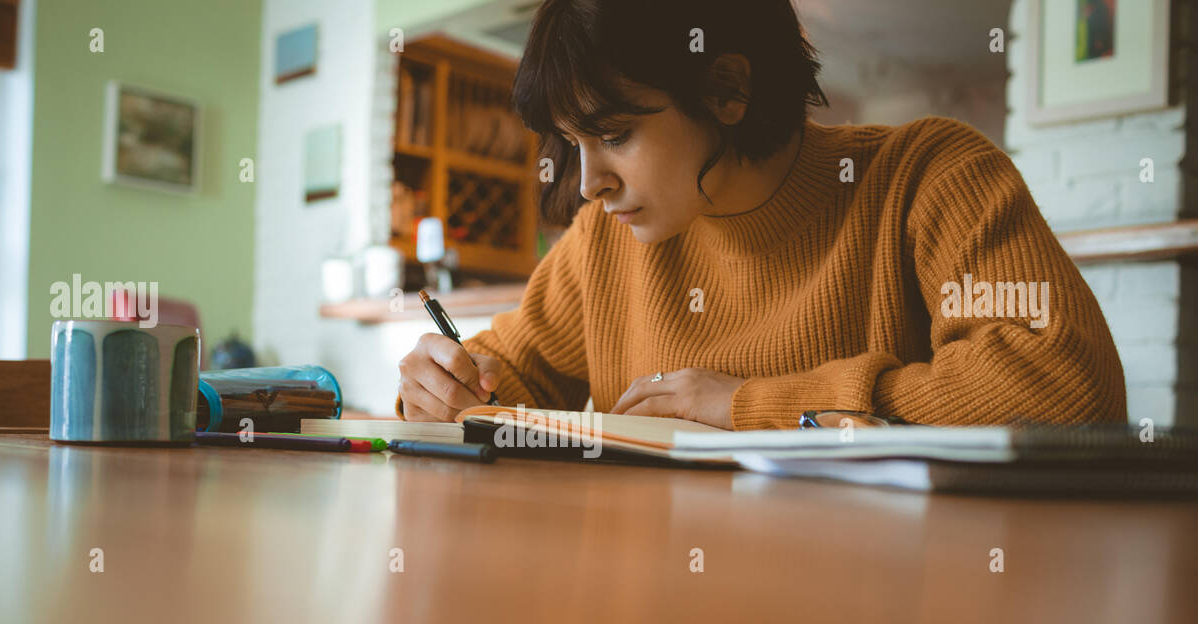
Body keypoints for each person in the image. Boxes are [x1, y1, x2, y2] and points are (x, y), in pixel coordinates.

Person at [395, 0, 1126, 429]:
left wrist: (752, 406)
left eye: (614, 135)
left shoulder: (931, 176)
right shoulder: (604, 243)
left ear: (727, 90)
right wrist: (445, 387)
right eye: (574, 143)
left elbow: (1063, 387)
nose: (589, 184)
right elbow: (511, 378)